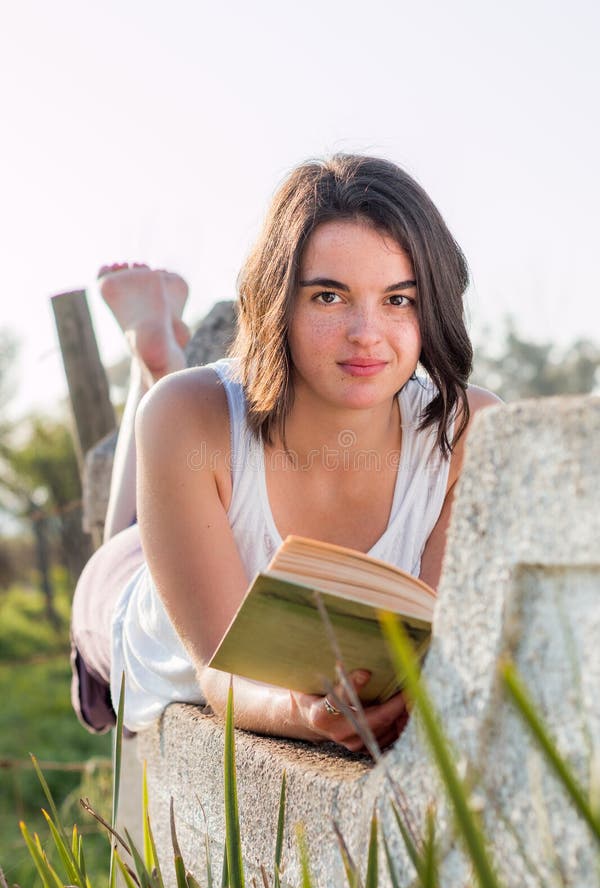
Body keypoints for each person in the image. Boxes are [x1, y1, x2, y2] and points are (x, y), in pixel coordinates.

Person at [70, 154, 499, 752]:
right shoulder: (187, 416)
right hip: (148, 612)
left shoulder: (467, 430)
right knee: (125, 533)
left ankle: (158, 354)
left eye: (399, 299)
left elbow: (432, 649)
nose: (366, 333)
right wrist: (303, 715)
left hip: (215, 517)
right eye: (329, 296)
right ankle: (156, 369)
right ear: (279, 301)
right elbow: (216, 671)